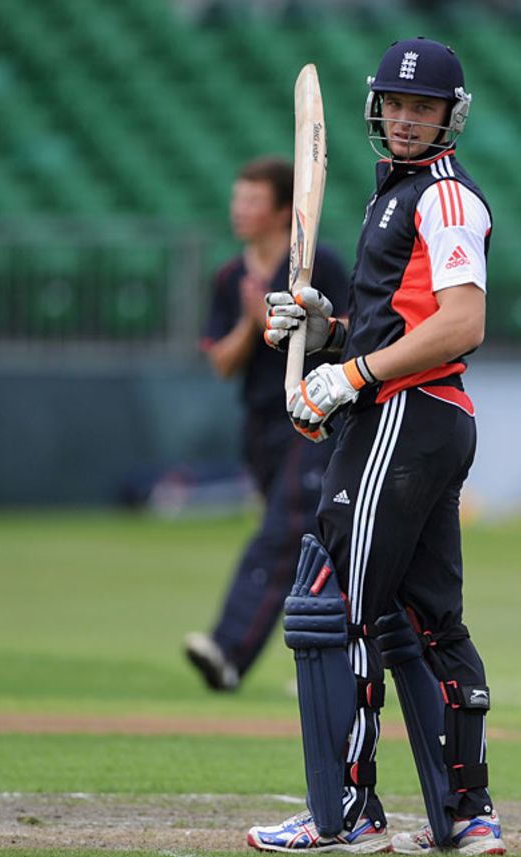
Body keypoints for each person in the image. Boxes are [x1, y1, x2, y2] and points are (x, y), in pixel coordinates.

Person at [245, 37, 503, 856]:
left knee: (334, 605)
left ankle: (344, 814)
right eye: (394, 103)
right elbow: (401, 323)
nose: (403, 118)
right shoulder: (392, 198)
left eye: (421, 107)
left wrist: (350, 375)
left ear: (449, 117)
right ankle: (466, 815)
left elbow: (461, 324)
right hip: (417, 415)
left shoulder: (446, 198)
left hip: (405, 414)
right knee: (425, 620)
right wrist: (325, 331)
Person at [185, 156, 348, 692]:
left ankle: (228, 651)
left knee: (283, 531)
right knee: (319, 538)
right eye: (238, 200)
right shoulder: (230, 276)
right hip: (259, 422)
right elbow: (222, 362)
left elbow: (353, 327)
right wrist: (252, 324)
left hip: (312, 419)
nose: (240, 211)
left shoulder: (317, 265)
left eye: (253, 201)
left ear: (284, 211)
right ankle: (350, 647)